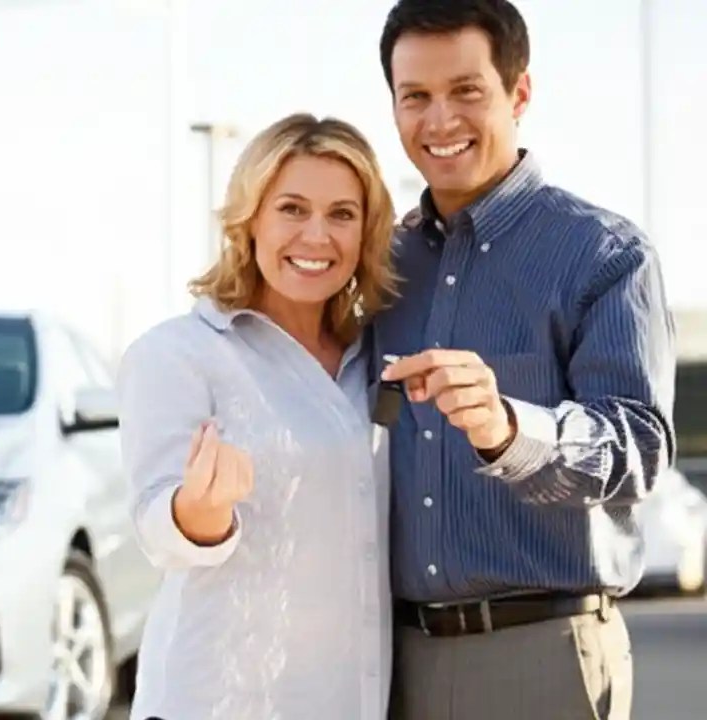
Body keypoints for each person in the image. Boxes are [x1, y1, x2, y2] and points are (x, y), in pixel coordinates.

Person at [372, 1, 677, 718]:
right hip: (393, 662)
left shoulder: (604, 255)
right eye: (415, 97)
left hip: (544, 656)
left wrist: (511, 429)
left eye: (466, 92)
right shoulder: (381, 265)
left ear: (520, 93)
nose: (439, 120)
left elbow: (639, 446)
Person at [116, 112, 399, 720]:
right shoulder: (177, 354)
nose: (316, 236)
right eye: (292, 209)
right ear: (249, 222)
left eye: (342, 214)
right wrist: (202, 512)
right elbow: (155, 525)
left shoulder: (373, 358)